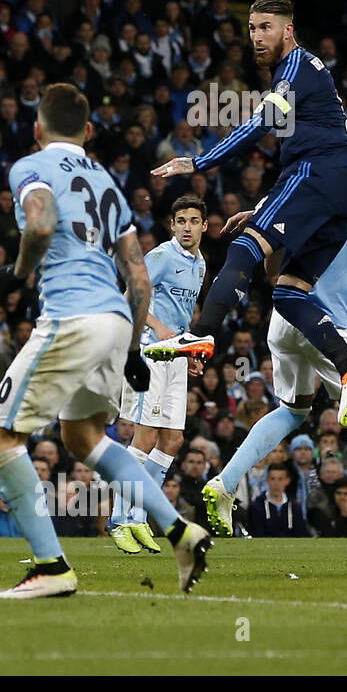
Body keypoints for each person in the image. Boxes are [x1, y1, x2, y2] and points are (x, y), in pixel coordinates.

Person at [0, 83, 211, 599]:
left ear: (37, 130)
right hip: (114, 319)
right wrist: (129, 350)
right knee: (83, 438)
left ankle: (51, 566)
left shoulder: (29, 166)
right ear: (88, 132)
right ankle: (180, 530)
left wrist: (16, 274)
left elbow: (38, 225)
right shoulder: (107, 180)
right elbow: (139, 279)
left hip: (71, 316)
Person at [148, 0, 347, 427]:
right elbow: (309, 145)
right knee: (290, 293)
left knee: (243, 250)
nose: (256, 36)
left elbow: (261, 124)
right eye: (251, 28)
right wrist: (268, 204)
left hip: (315, 177)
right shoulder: (310, 70)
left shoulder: (292, 69)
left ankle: (199, 336)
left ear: (288, 29)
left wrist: (198, 161)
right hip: (338, 190)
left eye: (265, 27)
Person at [203, 164, 347, 549]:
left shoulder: (287, 192)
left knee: (293, 409)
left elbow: (273, 272)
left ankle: (225, 483)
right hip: (330, 325)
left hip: (286, 319)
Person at [109, 194, 207, 554]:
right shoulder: (162, 256)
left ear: (204, 226)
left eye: (193, 221)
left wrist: (190, 350)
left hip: (176, 355)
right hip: (150, 350)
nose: (186, 227)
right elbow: (129, 295)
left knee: (173, 441)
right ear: (172, 225)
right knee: (145, 437)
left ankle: (138, 515)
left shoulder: (200, 265)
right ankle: (119, 518)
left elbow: (183, 314)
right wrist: (159, 327)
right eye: (181, 220)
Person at [248, 462, 310, 538]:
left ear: (287, 481)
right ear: (267, 480)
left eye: (280, 479)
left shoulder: (294, 507)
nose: (276, 483)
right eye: (272, 479)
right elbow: (257, 535)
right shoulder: (256, 507)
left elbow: (301, 534)